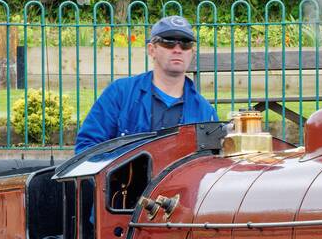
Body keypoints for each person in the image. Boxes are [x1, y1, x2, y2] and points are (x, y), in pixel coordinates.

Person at [74, 15, 219, 154]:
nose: (177, 49)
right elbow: (86, 148)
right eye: (168, 42)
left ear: (192, 52)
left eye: (185, 44)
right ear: (151, 49)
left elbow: (211, 166)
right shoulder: (120, 94)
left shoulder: (205, 113)